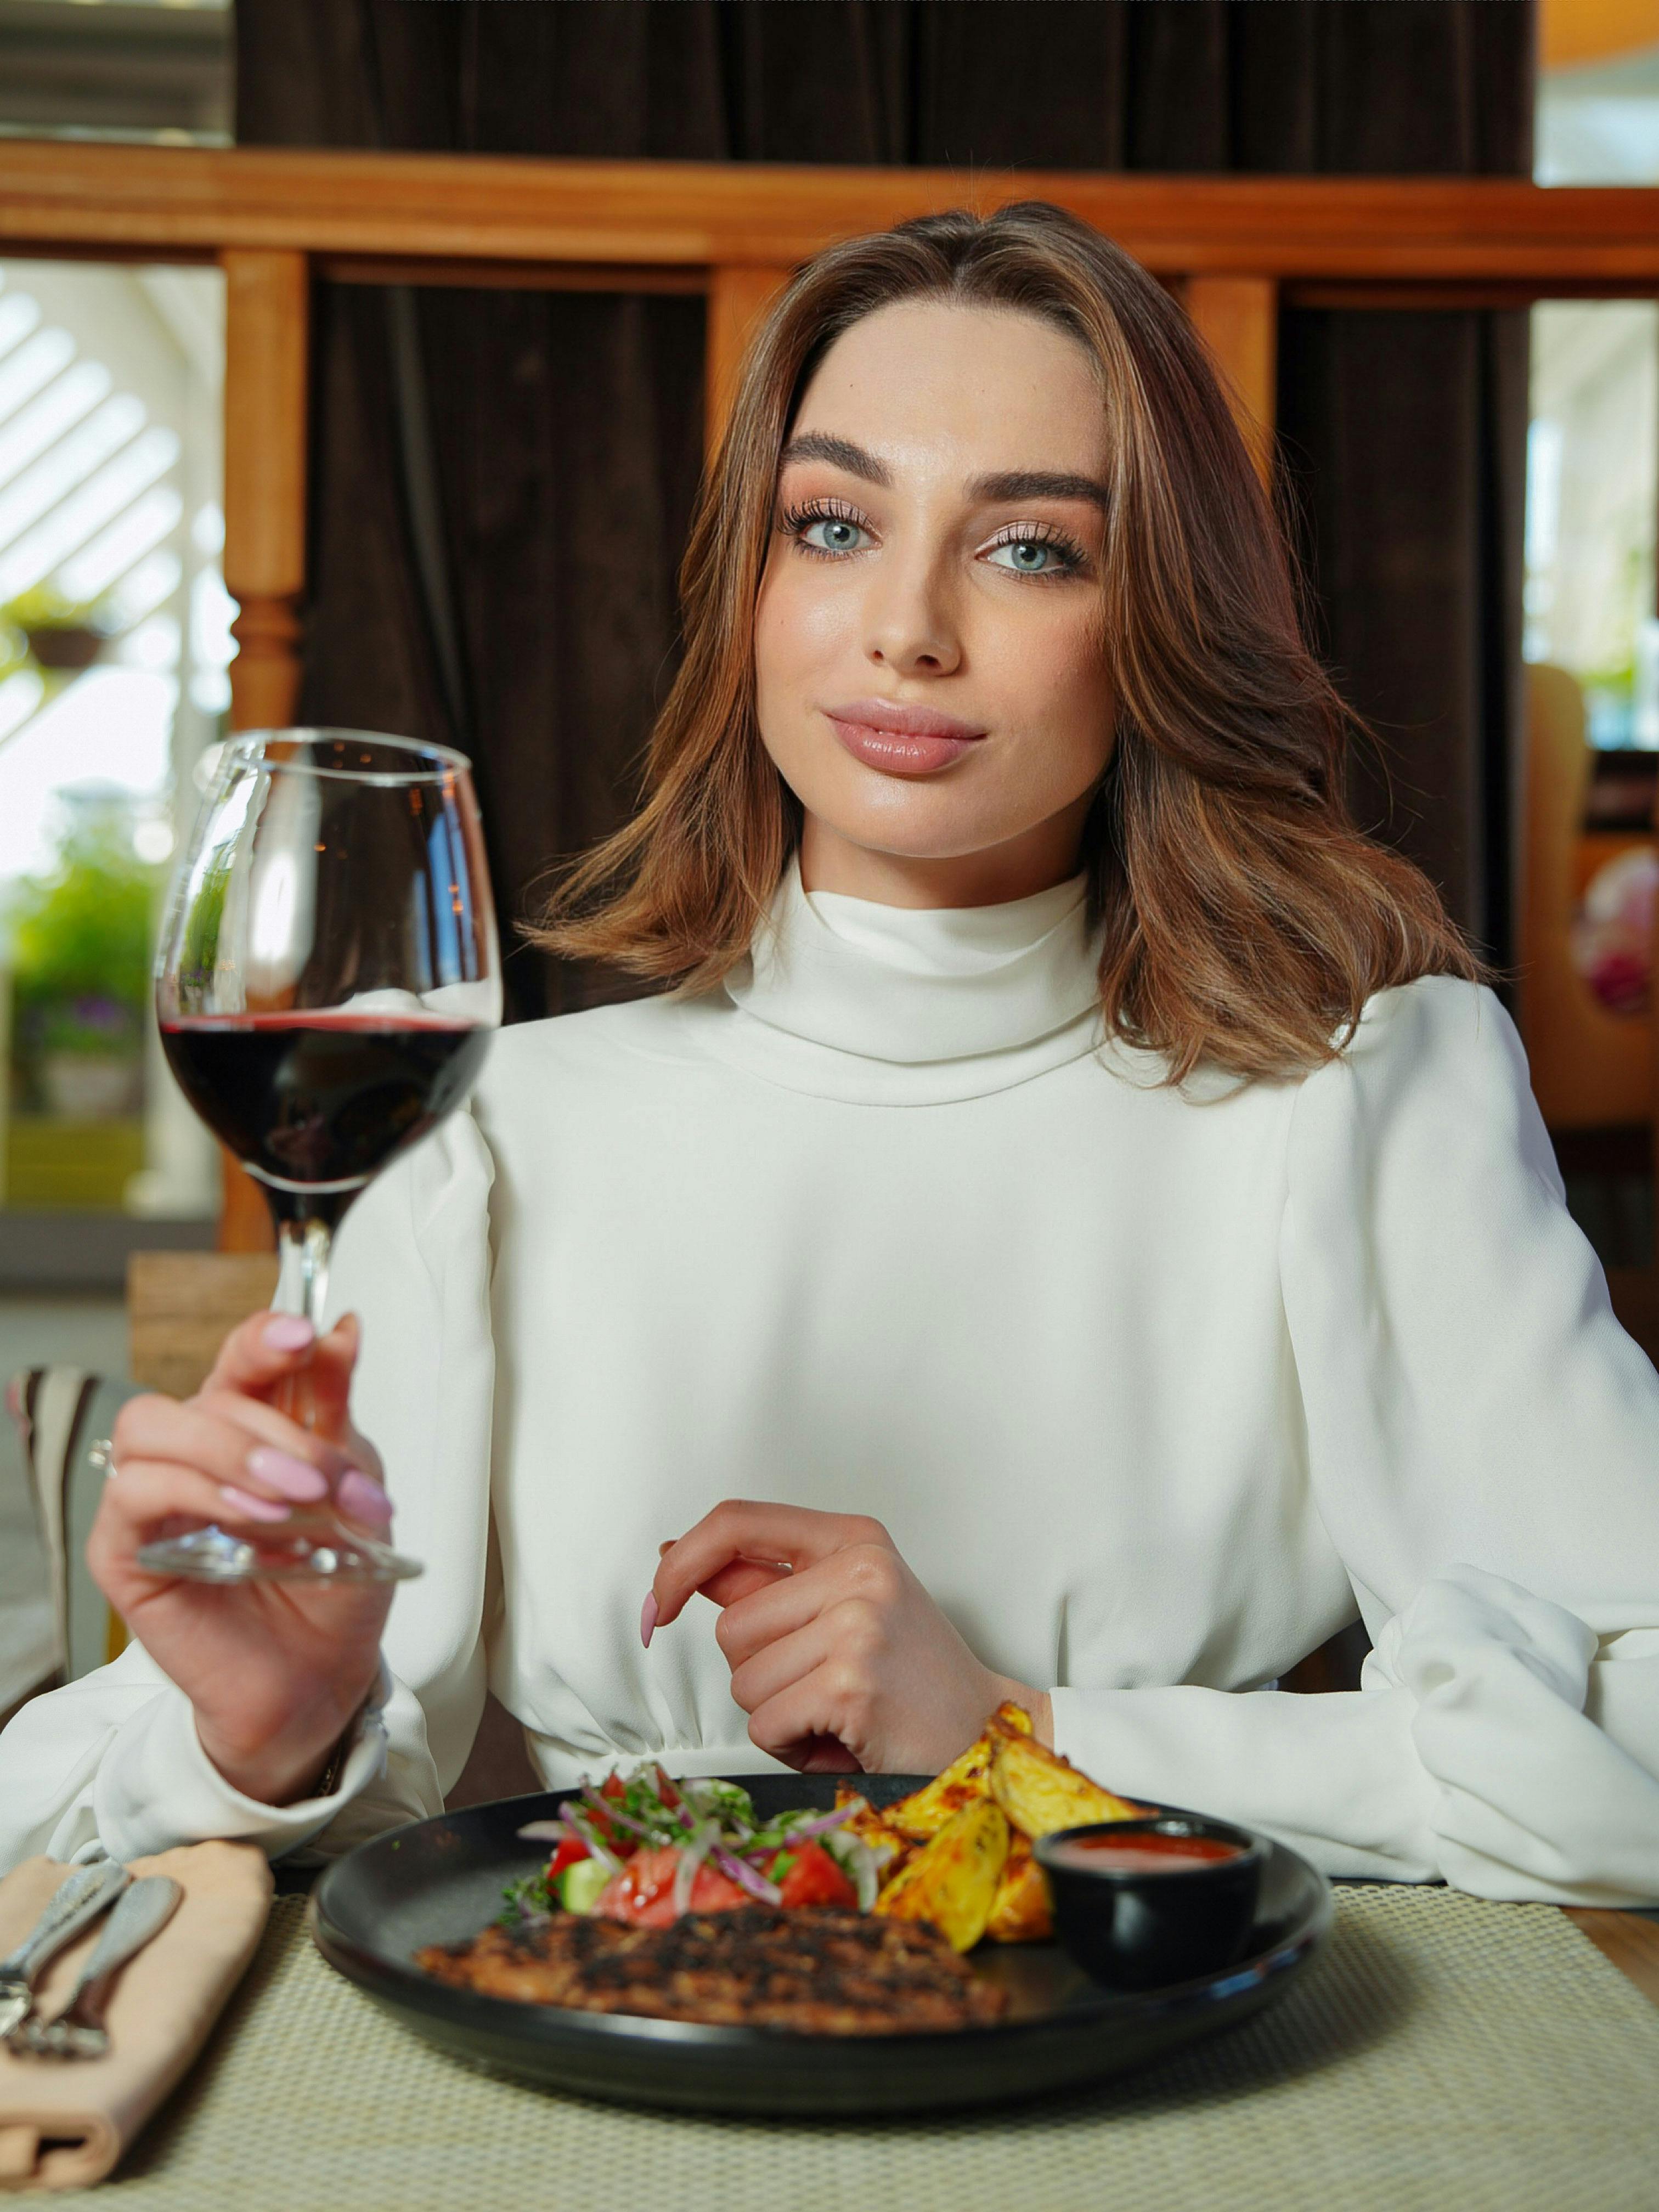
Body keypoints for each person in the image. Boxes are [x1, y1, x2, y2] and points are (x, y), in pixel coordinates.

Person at [3, 204, 1657, 1904]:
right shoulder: (485, 1137)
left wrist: (1024, 1737)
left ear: (1157, 617)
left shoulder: (1369, 1098)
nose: (908, 628)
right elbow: (91, 1804)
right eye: (835, 524)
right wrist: (269, 1731)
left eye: (1032, 549)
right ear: (750, 581)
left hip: (1171, 2086)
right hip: (600, 2105)